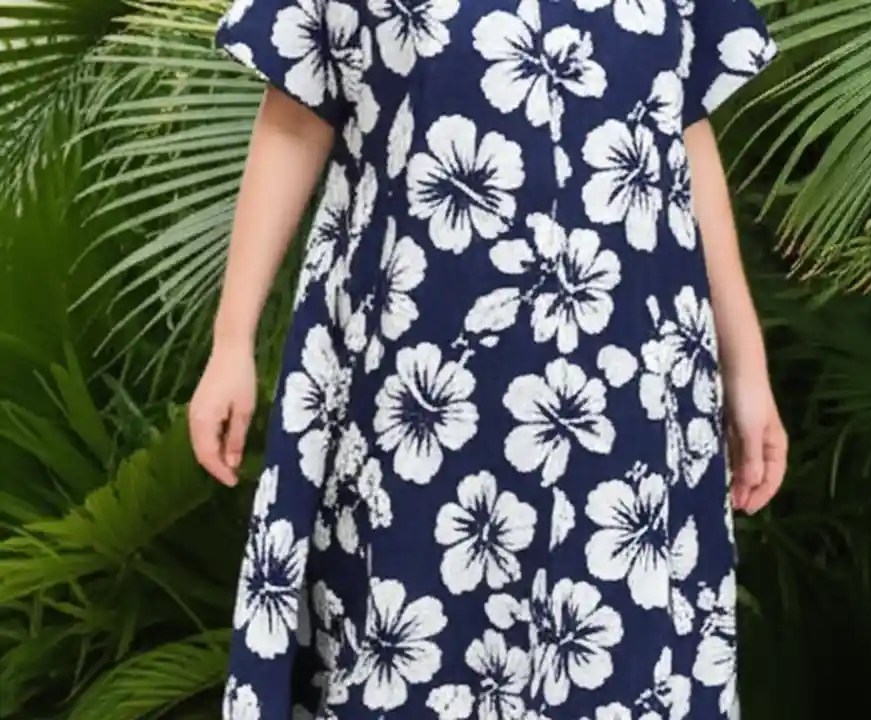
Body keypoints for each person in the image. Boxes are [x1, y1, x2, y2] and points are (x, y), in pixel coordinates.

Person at [188, 0, 787, 717]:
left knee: (622, 666)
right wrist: (231, 343)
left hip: (630, 394)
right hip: (418, 400)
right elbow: (296, 113)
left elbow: (683, 130)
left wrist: (746, 365)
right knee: (409, 657)